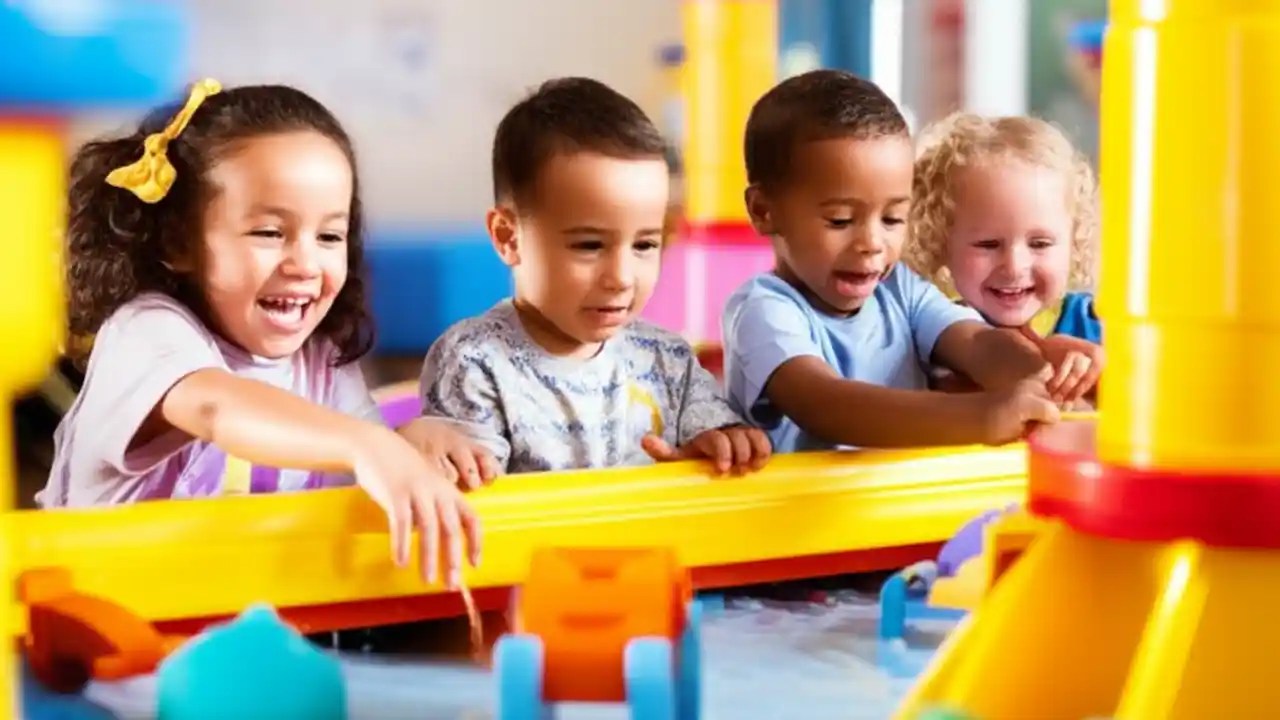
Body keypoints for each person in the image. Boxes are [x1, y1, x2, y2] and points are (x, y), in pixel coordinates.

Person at [41, 79, 480, 587]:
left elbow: (351, 459)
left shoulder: (320, 357)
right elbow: (217, 407)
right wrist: (369, 446)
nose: (305, 263)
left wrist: (407, 444)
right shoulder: (145, 332)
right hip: (110, 623)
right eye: (270, 233)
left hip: (248, 621)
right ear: (179, 243)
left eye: (329, 236)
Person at [419, 77, 771, 475]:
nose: (621, 277)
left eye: (644, 246)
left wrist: (722, 447)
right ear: (508, 237)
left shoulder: (668, 360)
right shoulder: (477, 362)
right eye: (589, 246)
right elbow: (477, 497)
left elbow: (717, 438)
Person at [722, 70, 1064, 453]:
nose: (872, 243)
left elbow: (979, 343)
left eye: (892, 219)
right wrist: (983, 417)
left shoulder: (899, 290)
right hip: (803, 512)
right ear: (765, 211)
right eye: (840, 220)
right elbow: (827, 405)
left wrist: (1039, 376)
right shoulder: (764, 311)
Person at [905, 111, 1102, 402]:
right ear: (941, 243)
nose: (1014, 266)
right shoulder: (932, 334)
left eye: (1040, 243)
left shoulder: (1096, 325)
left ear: (1075, 241)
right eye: (988, 244)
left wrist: (1103, 376)